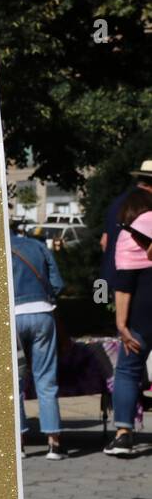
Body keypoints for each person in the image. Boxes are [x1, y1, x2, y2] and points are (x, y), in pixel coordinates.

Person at [12, 222, 67, 459]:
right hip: (43, 313)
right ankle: (54, 443)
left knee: (14, 380)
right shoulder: (36, 245)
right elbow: (57, 283)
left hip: (12, 316)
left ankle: (19, 443)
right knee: (46, 379)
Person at [105, 187, 152, 456]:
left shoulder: (128, 236)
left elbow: (123, 286)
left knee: (127, 371)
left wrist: (121, 325)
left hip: (140, 316)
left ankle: (124, 434)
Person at [99, 160, 152, 290]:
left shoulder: (117, 202)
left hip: (108, 278)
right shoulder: (147, 205)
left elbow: (103, 242)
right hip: (137, 281)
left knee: (107, 308)